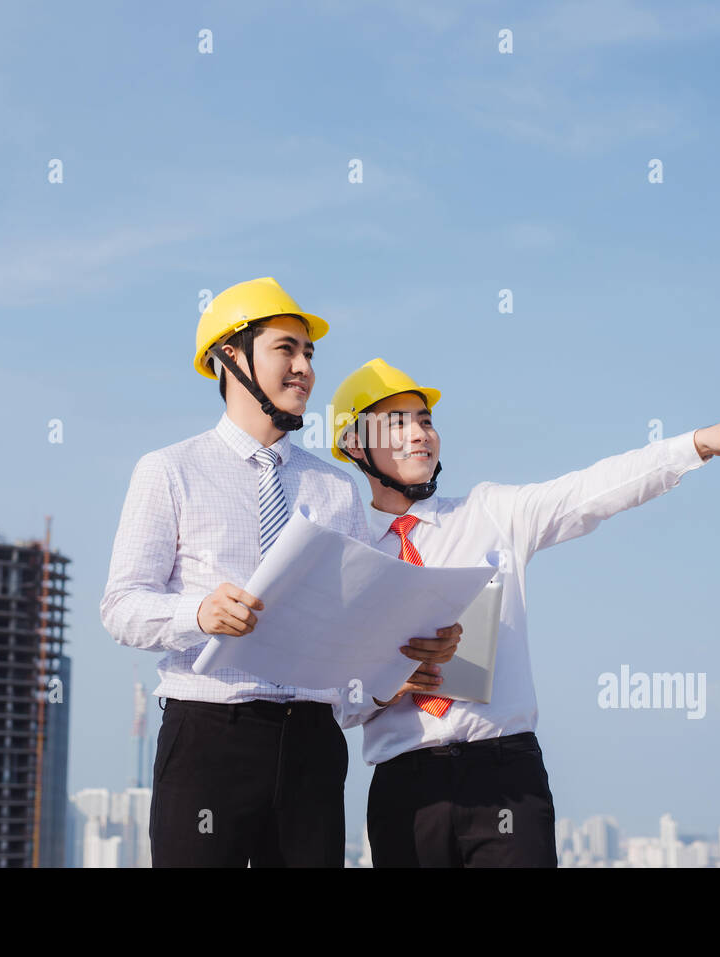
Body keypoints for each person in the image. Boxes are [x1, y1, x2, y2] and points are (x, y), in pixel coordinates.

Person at [329, 357, 720, 867]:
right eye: (396, 423)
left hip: (506, 777)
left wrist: (698, 444)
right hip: (407, 793)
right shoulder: (346, 557)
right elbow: (335, 704)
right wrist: (395, 680)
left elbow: (593, 490)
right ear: (354, 445)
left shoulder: (491, 513)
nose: (420, 434)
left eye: (426, 420)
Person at [99, 280, 460, 867]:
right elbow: (121, 606)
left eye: (309, 354)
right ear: (229, 357)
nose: (303, 368)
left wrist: (396, 665)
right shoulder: (169, 470)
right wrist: (197, 612)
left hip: (312, 743)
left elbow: (350, 623)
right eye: (285, 349)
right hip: (210, 733)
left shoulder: (335, 485)